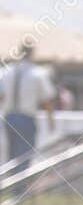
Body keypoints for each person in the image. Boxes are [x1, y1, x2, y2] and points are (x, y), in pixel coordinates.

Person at [0, 42, 56, 175]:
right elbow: (46, 100)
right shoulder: (37, 74)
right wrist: (51, 120)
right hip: (26, 118)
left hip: (9, 118)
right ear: (32, 54)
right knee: (24, 155)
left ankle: (12, 186)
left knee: (12, 155)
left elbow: (1, 96)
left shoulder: (6, 72)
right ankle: (20, 189)